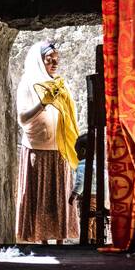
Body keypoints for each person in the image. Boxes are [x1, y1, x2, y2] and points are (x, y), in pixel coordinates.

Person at [15, 39, 80, 243]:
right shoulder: (28, 84)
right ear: (38, 61)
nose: (54, 63)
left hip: (59, 151)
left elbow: (69, 114)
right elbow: (22, 118)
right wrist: (43, 103)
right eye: (49, 59)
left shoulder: (59, 85)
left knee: (59, 199)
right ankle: (42, 242)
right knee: (41, 200)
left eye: (56, 59)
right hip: (37, 152)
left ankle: (60, 240)